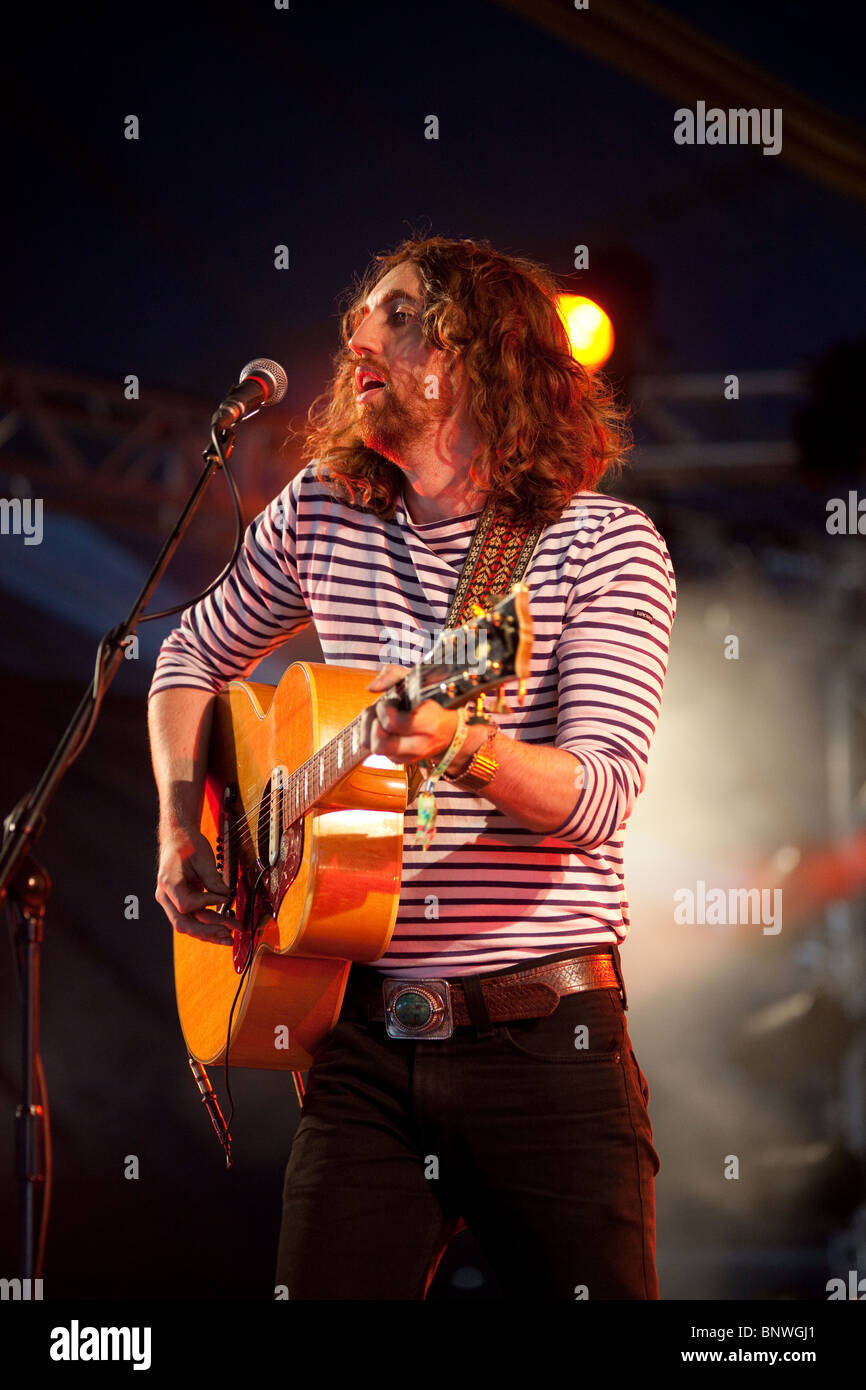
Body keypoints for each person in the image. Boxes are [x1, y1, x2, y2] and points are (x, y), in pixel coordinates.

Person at [148, 235, 677, 1300]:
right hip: (359, 1047)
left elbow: (601, 795)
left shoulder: (597, 545)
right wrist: (178, 829)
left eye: (394, 315)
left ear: (474, 353)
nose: (356, 335)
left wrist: (464, 743)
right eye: (360, 316)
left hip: (543, 1043)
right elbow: (187, 654)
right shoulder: (320, 509)